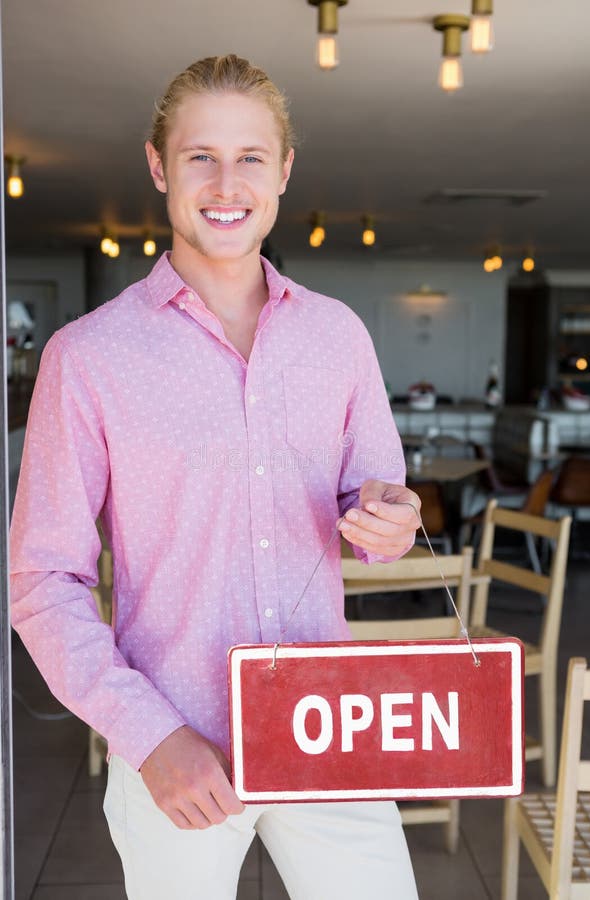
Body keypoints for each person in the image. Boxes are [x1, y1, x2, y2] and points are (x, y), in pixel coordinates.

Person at [10, 54, 421, 899]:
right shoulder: (87, 357)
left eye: (250, 158)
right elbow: (42, 580)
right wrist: (149, 737)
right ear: (159, 166)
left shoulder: (339, 337)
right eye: (200, 156)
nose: (225, 182)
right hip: (177, 746)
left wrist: (390, 519)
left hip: (327, 731)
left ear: (284, 171)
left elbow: (377, 503)